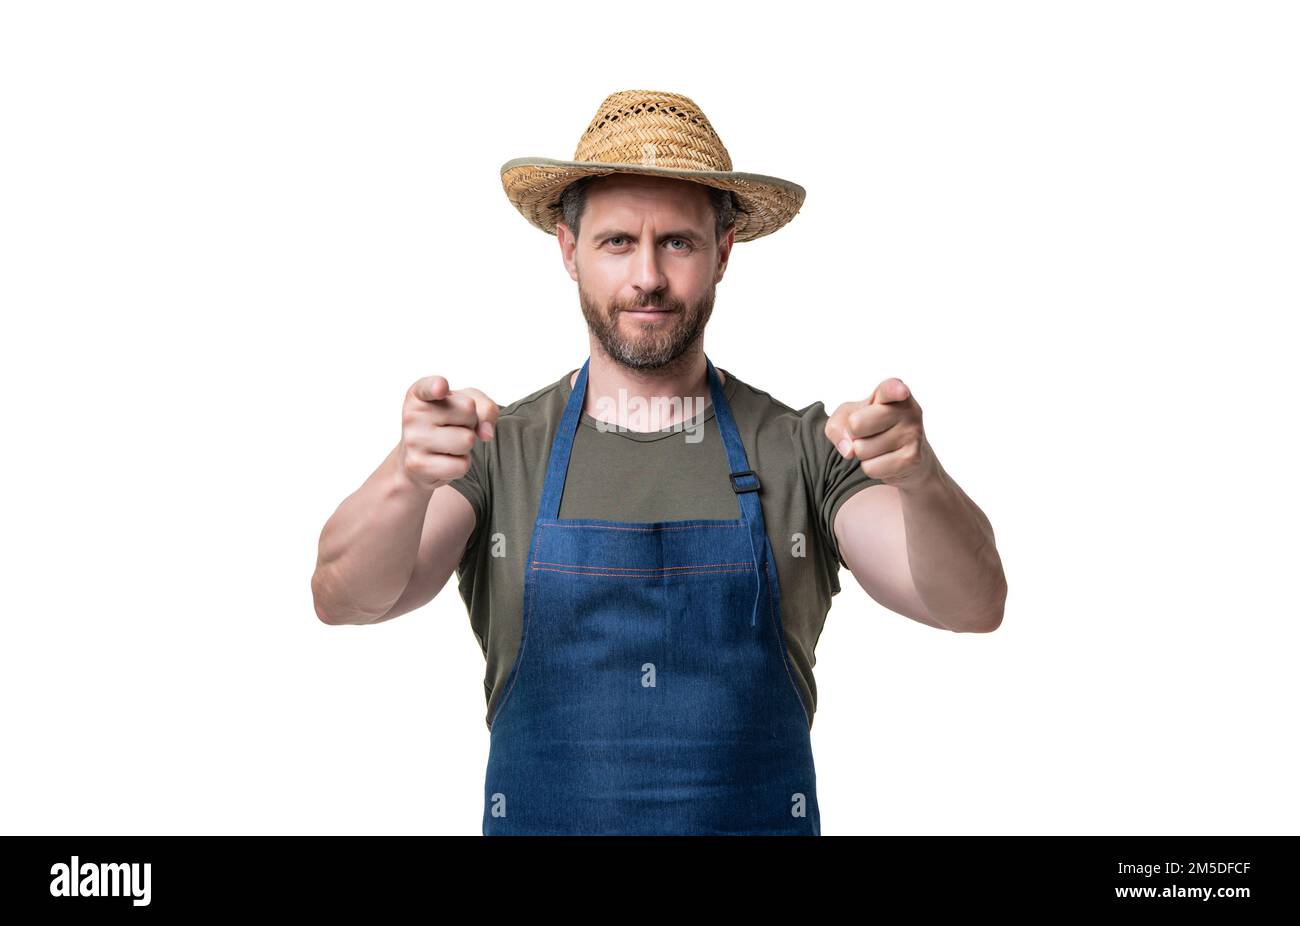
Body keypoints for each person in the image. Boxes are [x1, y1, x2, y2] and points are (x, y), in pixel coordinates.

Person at [311, 89, 1007, 835]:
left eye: (677, 241)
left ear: (724, 252)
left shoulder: (804, 448)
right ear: (568, 251)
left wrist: (920, 477)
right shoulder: (496, 449)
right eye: (617, 242)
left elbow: (972, 605)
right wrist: (405, 479)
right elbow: (345, 599)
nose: (647, 275)